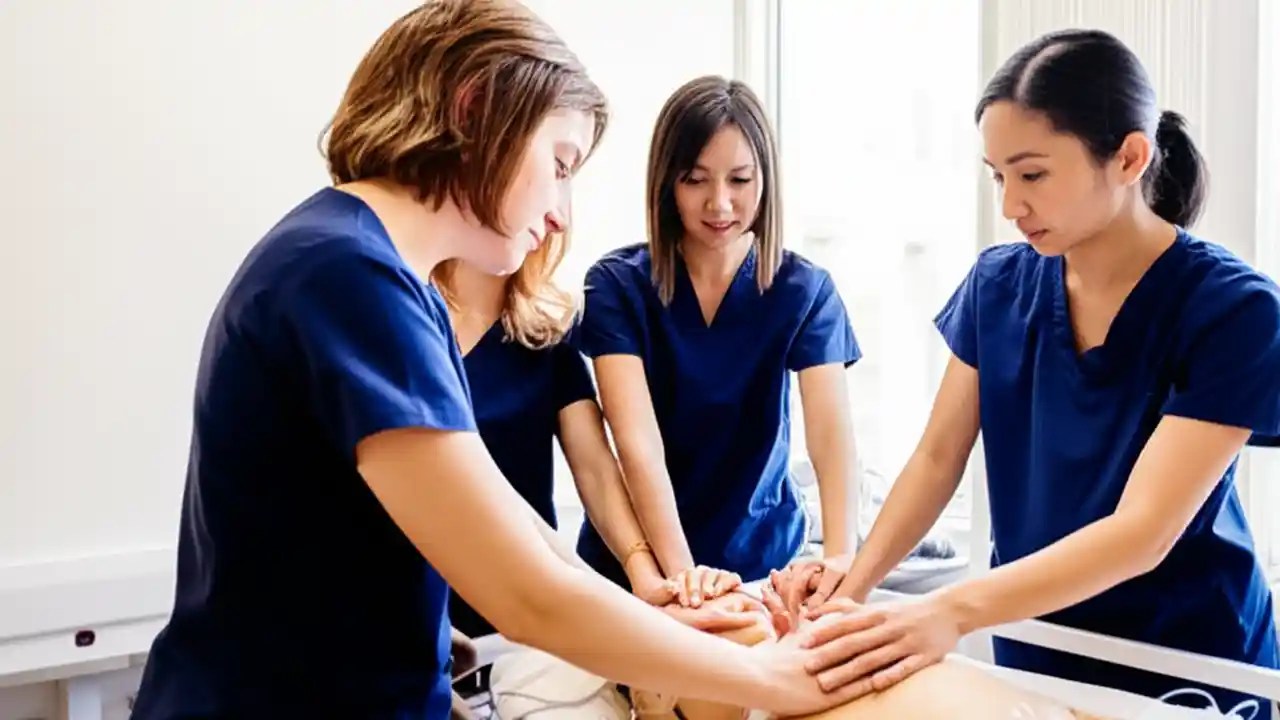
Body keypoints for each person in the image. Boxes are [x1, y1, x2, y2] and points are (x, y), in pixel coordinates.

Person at [127, 3, 877, 718]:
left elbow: (522, 543)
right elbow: (528, 594)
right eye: (559, 162)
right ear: (474, 110)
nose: (559, 211)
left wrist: (657, 594)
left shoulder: (369, 274)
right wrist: (762, 676)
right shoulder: (346, 278)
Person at [777, 28, 1280, 710]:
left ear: (1130, 157)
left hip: (1190, 669)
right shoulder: (998, 284)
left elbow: (1143, 532)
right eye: (997, 176)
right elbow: (936, 459)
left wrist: (950, 612)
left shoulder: (1234, 310)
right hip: (1038, 653)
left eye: (1033, 173)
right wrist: (853, 584)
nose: (1010, 204)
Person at [575, 75, 862, 601]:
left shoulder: (805, 291)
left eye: (739, 180)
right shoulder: (617, 285)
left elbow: (832, 438)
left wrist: (842, 563)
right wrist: (685, 582)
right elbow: (638, 446)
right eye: (695, 179)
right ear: (667, 182)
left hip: (762, 564)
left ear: (765, 182)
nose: (720, 204)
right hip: (637, 571)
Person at [433, 249, 740, 639]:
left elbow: (596, 470)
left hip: (513, 607)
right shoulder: (408, 321)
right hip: (408, 602)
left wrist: (645, 577)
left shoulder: (545, 338)